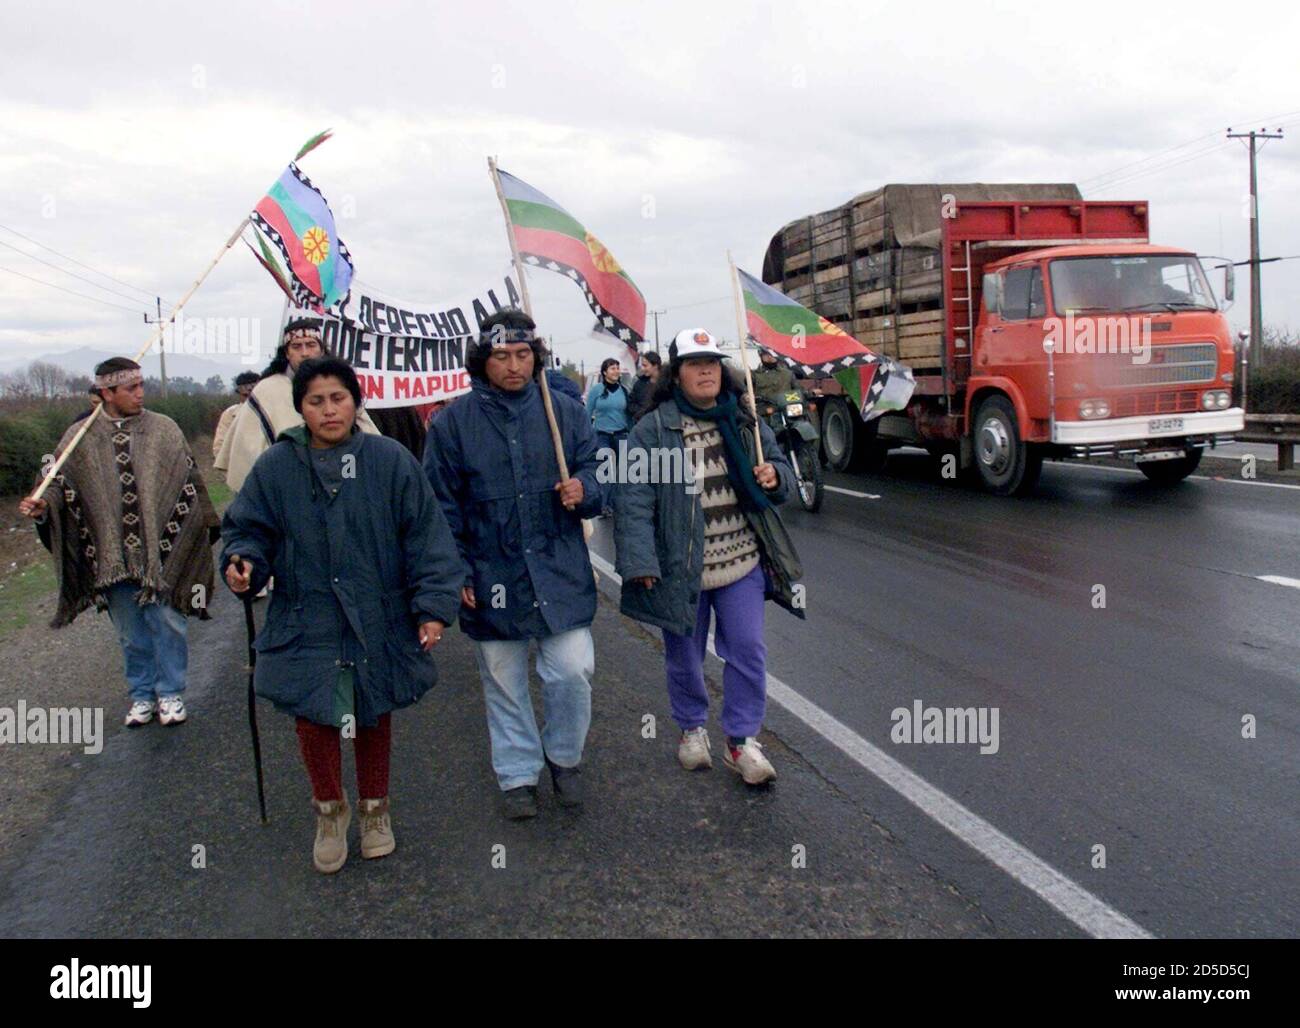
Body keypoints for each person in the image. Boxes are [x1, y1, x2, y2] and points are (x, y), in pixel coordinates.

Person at [221, 356, 462, 874]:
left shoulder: (390, 460)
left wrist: (433, 607)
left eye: (338, 398)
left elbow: (427, 537)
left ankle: (376, 810)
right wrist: (242, 563)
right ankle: (330, 812)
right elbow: (247, 530)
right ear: (300, 408)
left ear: (356, 402)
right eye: (315, 401)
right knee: (315, 715)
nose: (329, 410)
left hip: (379, 611)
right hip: (306, 613)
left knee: (372, 711)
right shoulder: (277, 467)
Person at [424, 309, 604, 820]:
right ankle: (518, 774)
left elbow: (597, 469)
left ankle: (564, 758)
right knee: (503, 681)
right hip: (490, 572)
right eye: (501, 355)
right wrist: (455, 570)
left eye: (523, 354)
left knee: (573, 669)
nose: (513, 366)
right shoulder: (451, 423)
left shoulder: (563, 411)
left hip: (558, 568)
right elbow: (439, 504)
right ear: (482, 359)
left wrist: (584, 489)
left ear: (536, 356)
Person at [614, 329, 803, 785]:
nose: (706, 371)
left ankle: (741, 741)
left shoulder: (743, 421)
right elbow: (633, 499)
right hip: (681, 569)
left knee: (748, 650)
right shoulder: (654, 430)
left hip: (741, 562)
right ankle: (691, 729)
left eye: (713, 363)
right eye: (696, 364)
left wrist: (774, 477)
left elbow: (784, 473)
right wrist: (641, 562)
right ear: (676, 375)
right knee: (684, 657)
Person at [17, 357, 219, 728]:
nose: (140, 393)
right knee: (131, 633)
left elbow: (186, 479)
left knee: (168, 621)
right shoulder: (79, 435)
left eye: (142, 385)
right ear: (107, 393)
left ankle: (171, 692)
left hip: (161, 550)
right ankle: (142, 695)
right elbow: (60, 486)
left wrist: (203, 523)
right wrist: (44, 505)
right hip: (110, 556)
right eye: (131, 388)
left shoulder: (164, 429)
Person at [214, 316, 379, 491]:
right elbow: (247, 449)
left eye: (311, 345)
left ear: (321, 349)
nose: (305, 352)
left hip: (344, 478)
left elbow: (365, 437)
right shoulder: (267, 390)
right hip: (290, 488)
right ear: (286, 353)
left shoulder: (340, 384)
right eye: (297, 346)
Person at [585, 358, 632, 517]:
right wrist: (587, 435)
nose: (616, 371)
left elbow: (629, 415)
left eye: (617, 368)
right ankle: (605, 505)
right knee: (606, 470)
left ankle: (620, 502)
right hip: (602, 435)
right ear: (605, 372)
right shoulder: (596, 391)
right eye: (612, 368)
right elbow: (587, 412)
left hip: (621, 434)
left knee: (624, 471)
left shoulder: (624, 390)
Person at [212, 371, 259, 459]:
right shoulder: (229, 415)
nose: (249, 399)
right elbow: (219, 447)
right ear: (239, 393)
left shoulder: (270, 413)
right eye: (245, 395)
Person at [627, 350, 661, 422]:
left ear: (655, 366)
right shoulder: (639, 384)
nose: (642, 369)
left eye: (645, 366)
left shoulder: (667, 383)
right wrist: (641, 411)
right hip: (643, 425)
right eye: (642, 365)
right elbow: (630, 404)